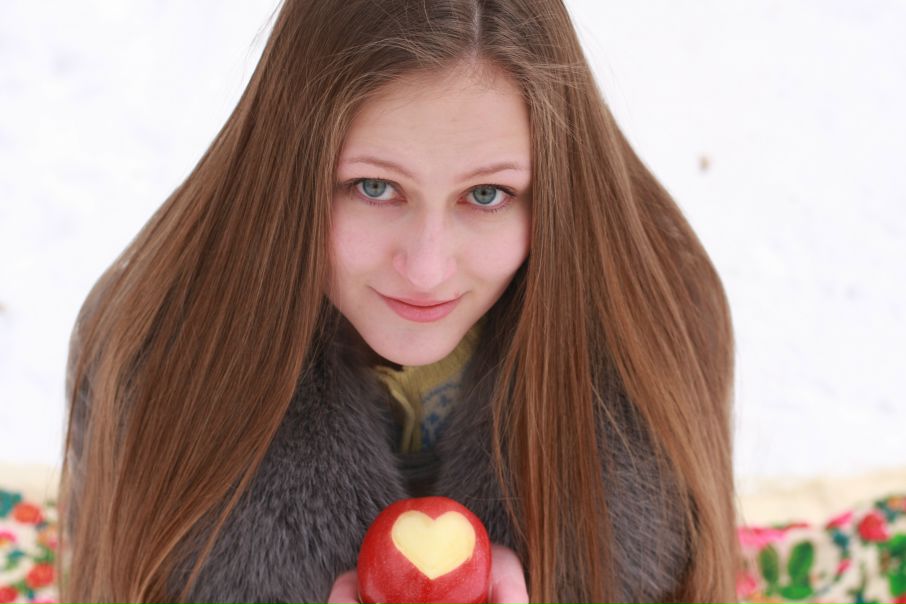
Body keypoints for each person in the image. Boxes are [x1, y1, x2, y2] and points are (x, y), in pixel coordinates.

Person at [56, 0, 740, 602]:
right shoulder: (146, 349)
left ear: (556, 189)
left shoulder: (659, 332)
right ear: (288, 170)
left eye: (486, 195)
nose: (427, 268)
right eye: (374, 187)